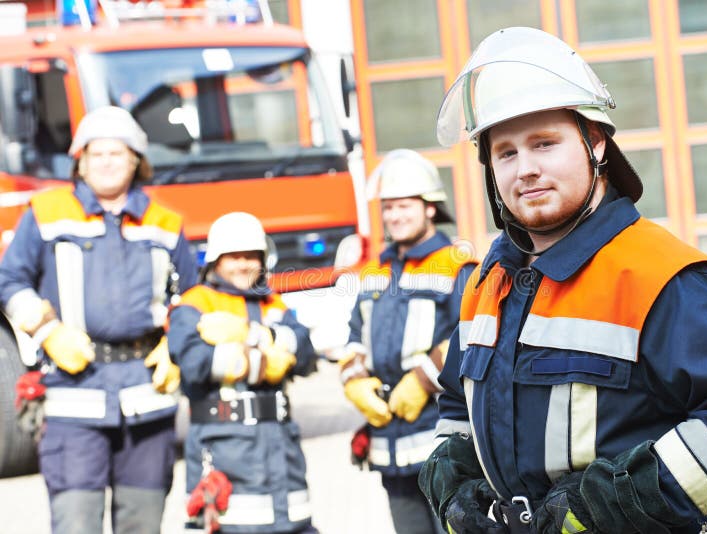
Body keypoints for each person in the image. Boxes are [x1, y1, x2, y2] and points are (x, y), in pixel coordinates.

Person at [418, 27, 707, 534]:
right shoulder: (489, 283)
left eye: (544, 143)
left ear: (596, 143)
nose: (525, 169)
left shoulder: (659, 276)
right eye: (506, 153)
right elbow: (456, 401)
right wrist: (453, 475)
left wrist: (609, 506)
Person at [0, 106, 197, 533]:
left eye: (118, 153)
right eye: (97, 153)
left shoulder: (164, 223)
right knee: (75, 524)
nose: (107, 162)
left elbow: (194, 297)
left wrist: (177, 345)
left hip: (147, 398)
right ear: (81, 162)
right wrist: (49, 332)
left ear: (136, 161)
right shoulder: (46, 213)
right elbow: (10, 281)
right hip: (73, 397)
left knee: (142, 524)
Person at [340, 149, 477, 534]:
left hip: (443, 439)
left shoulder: (457, 265)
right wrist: (353, 381)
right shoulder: (375, 270)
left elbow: (470, 336)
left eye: (404, 206)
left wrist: (421, 379)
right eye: (388, 208)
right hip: (389, 442)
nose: (394, 216)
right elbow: (353, 335)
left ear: (430, 208)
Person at [167, 211, 319, 533]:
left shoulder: (271, 304)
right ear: (215, 261)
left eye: (252, 256)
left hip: (280, 447)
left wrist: (261, 336)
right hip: (222, 447)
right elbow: (193, 362)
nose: (244, 264)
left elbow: (305, 350)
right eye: (234, 256)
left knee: (294, 523)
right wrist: (261, 361)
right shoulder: (194, 304)